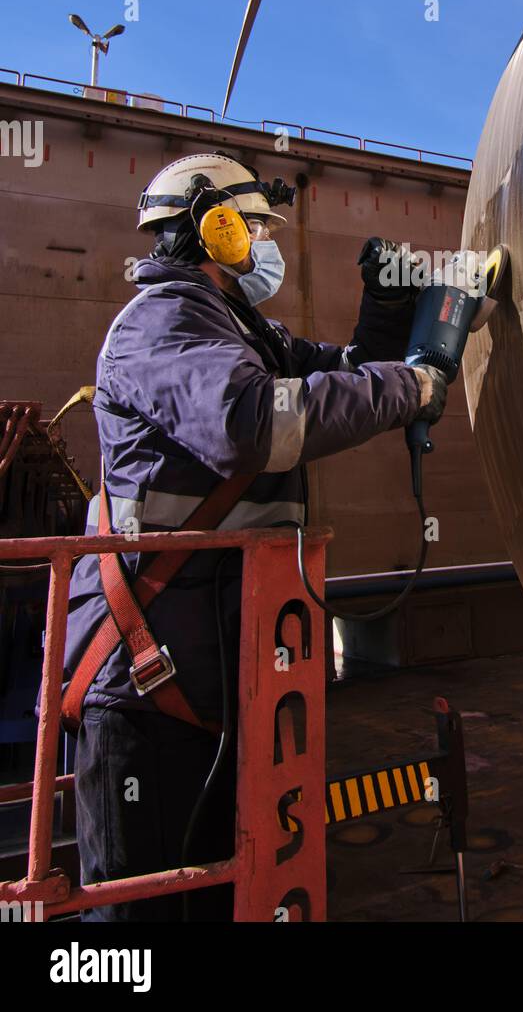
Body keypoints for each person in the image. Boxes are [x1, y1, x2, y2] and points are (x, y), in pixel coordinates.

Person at [59, 151, 446, 920]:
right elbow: (258, 424)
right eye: (258, 225)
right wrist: (418, 383)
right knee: (144, 917)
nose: (265, 240)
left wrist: (385, 309)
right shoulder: (161, 324)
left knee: (218, 895)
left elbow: (335, 378)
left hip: (208, 677)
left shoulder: (240, 329)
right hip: (145, 694)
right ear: (219, 228)